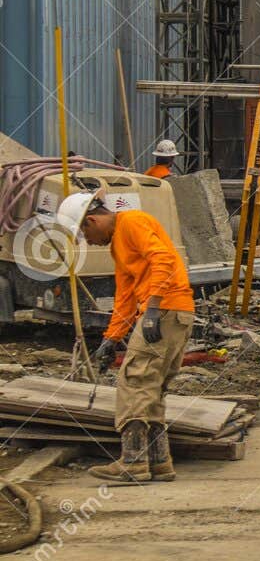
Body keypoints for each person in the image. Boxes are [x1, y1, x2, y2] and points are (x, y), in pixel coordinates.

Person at [56, 191, 195, 484]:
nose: (89, 241)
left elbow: (164, 260)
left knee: (133, 382)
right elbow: (125, 297)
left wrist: (154, 308)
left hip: (165, 309)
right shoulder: (119, 245)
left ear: (92, 220)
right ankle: (159, 463)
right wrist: (111, 338)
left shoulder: (131, 222)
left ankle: (133, 463)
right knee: (151, 387)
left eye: (86, 234)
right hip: (174, 311)